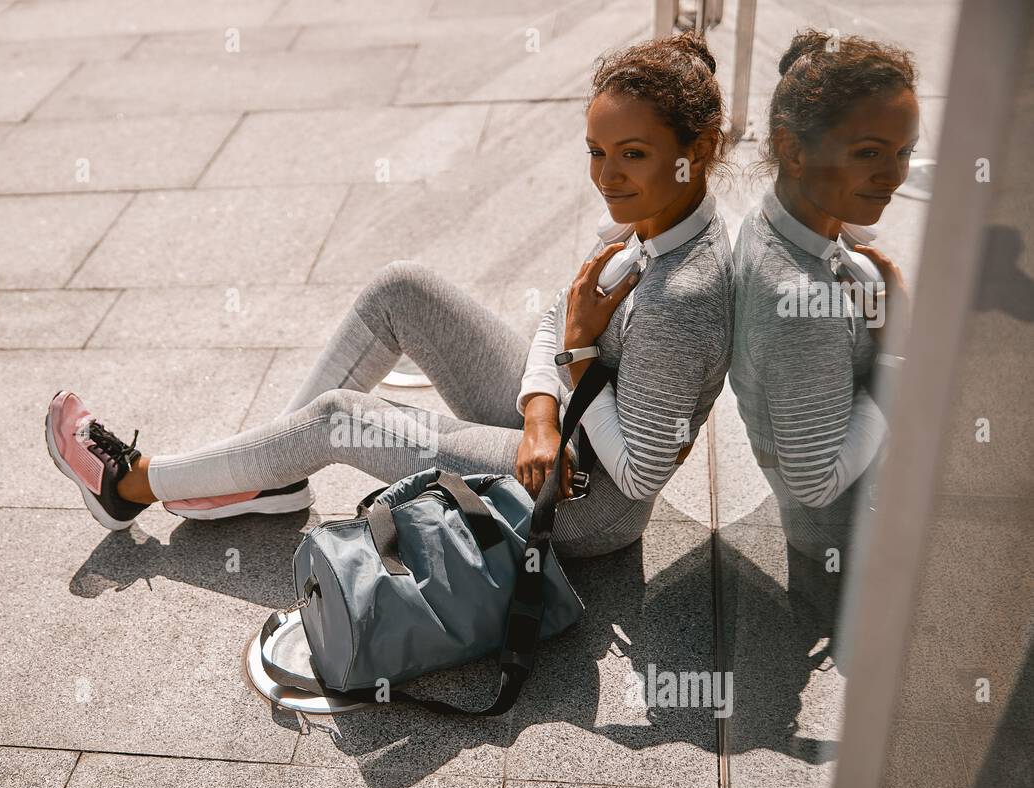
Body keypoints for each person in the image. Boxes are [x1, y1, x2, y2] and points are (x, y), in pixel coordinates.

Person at [46, 31, 735, 559]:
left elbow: (640, 475)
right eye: (595, 151)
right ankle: (275, 476)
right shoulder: (644, 215)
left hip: (585, 498)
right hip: (557, 429)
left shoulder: (686, 295)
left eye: (632, 154)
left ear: (697, 149)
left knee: (338, 418)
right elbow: (563, 318)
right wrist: (542, 413)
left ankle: (129, 487)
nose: (607, 176)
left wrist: (577, 361)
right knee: (400, 288)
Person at [730, 28, 917, 572]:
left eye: (904, 152)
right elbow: (816, 484)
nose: (895, 176)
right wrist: (897, 351)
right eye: (869, 154)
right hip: (846, 528)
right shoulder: (802, 301)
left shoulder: (775, 217)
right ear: (792, 150)